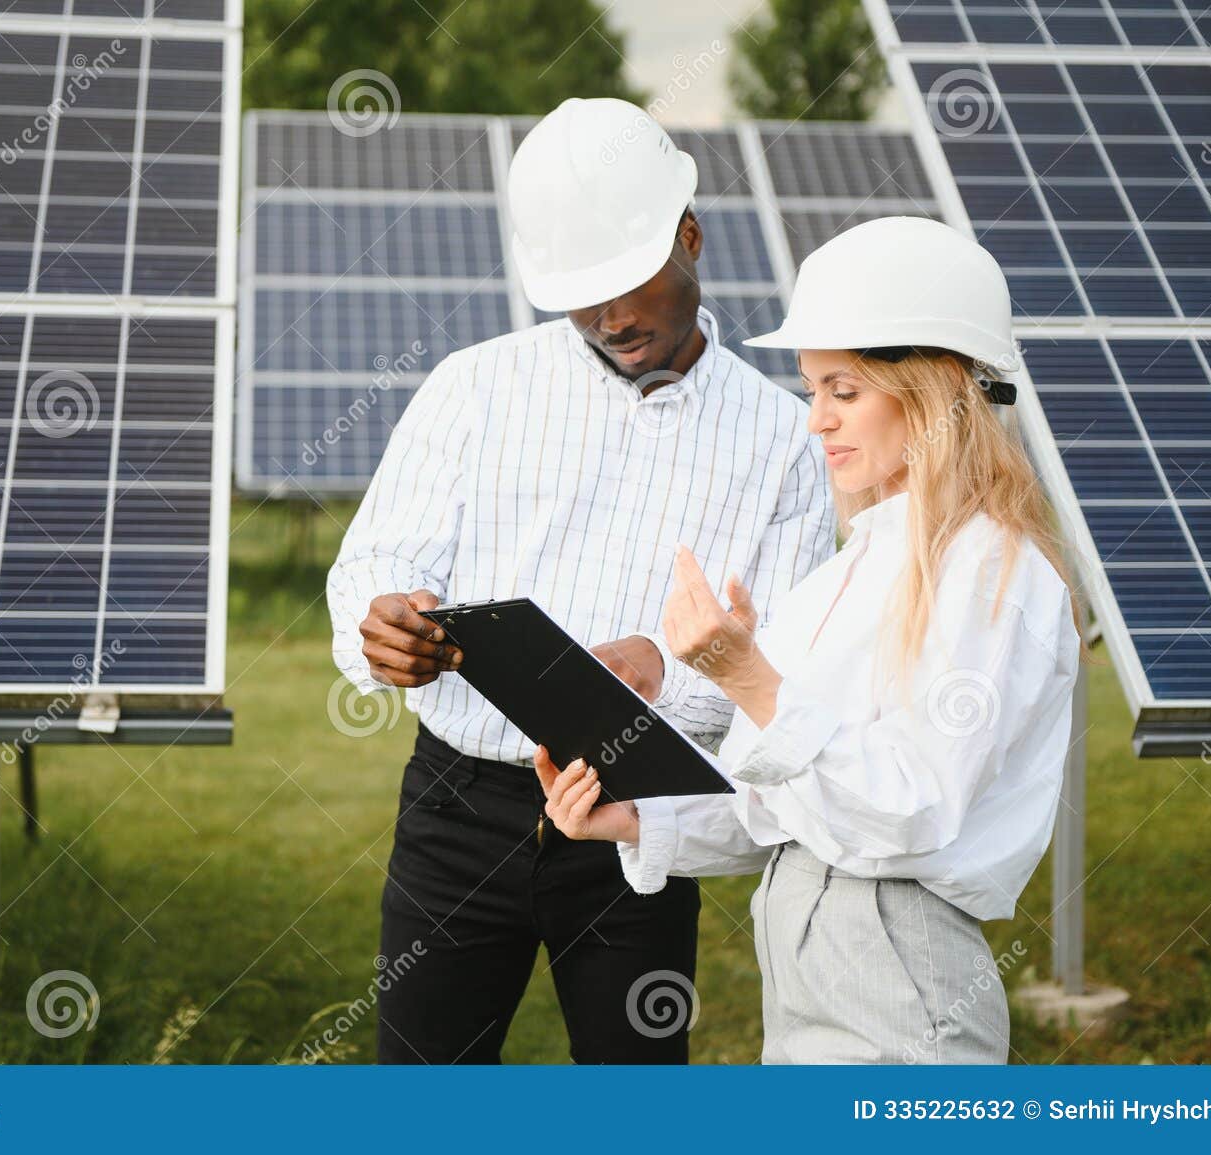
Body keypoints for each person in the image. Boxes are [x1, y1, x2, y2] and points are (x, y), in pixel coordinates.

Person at [326, 97, 835, 1064]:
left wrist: (664, 668)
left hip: (638, 817)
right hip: (456, 811)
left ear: (689, 234)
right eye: (580, 293)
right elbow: (376, 563)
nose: (608, 317)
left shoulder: (782, 439)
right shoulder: (474, 389)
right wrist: (381, 620)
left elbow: (781, 669)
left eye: (627, 283)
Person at [535, 216, 1085, 1064]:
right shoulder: (856, 564)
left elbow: (911, 812)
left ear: (935, 387)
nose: (814, 421)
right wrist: (637, 819)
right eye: (811, 389)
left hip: (900, 966)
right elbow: (791, 813)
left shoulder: (990, 572)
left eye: (844, 390)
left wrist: (749, 678)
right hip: (803, 958)